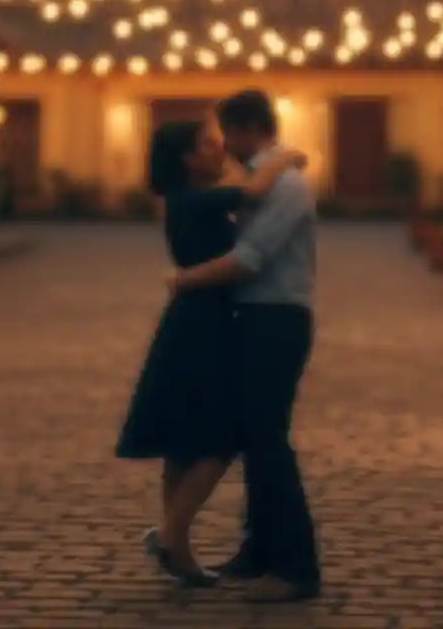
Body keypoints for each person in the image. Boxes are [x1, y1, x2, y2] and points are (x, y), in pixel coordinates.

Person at [115, 115, 306, 587]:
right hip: (206, 322)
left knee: (184, 437)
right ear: (185, 157)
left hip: (194, 316)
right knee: (221, 438)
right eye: (205, 144)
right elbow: (256, 191)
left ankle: (176, 547)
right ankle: (172, 535)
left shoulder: (185, 199)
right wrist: (286, 157)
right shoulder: (196, 199)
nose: (217, 150)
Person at [168, 89, 321, 604]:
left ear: (243, 130)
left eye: (224, 135)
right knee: (256, 438)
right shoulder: (266, 179)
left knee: (269, 441)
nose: (222, 147)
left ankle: (296, 567)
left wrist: (185, 279)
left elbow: (249, 259)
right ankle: (258, 550)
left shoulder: (287, 185)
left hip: (276, 319)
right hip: (255, 319)